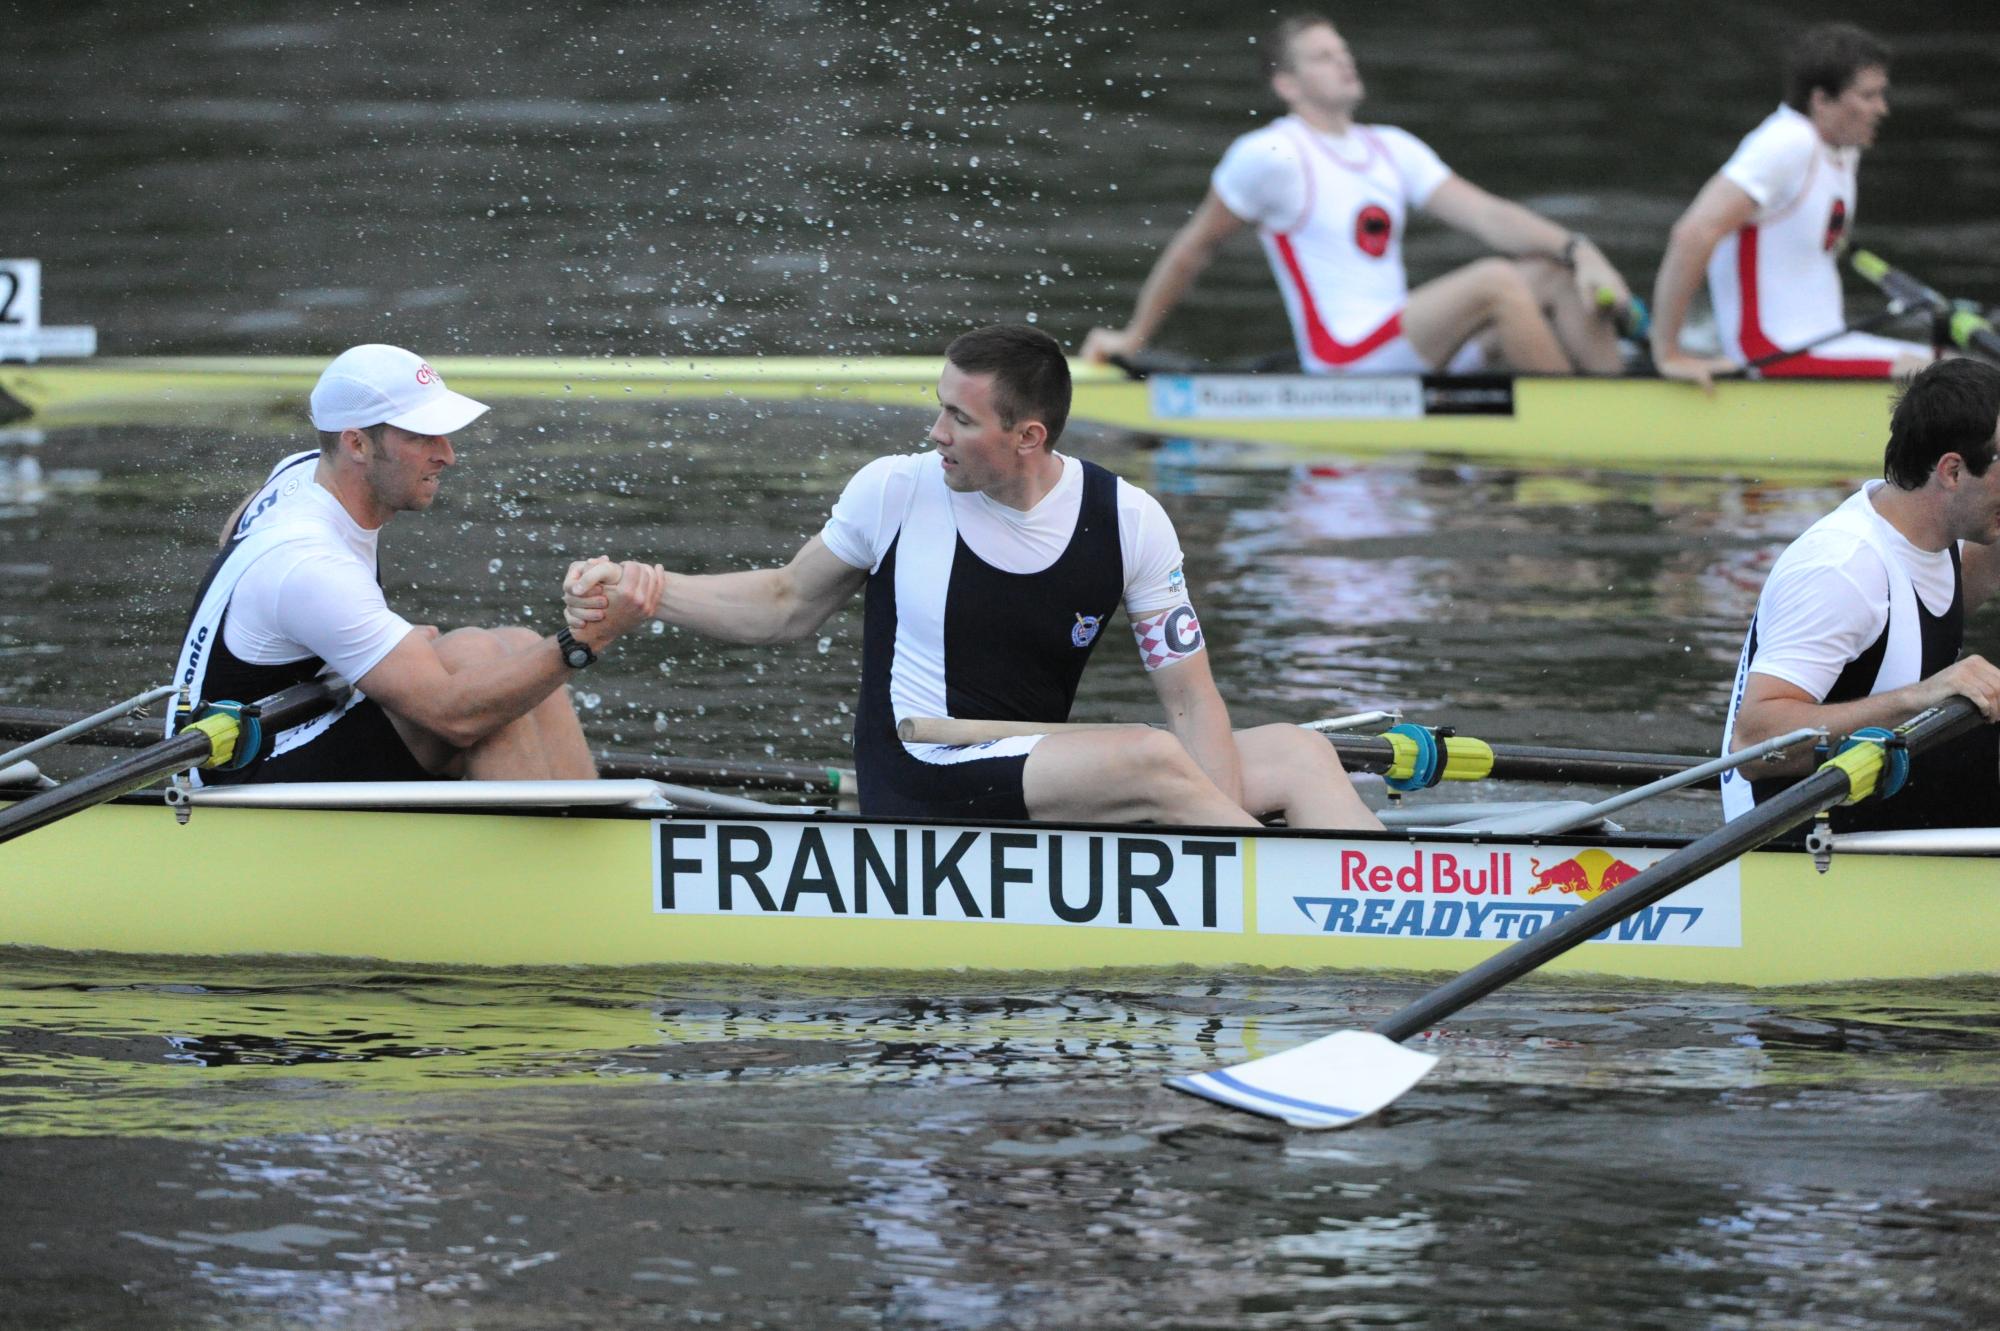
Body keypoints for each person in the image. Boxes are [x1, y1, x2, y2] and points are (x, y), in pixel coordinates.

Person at [567, 324, 1380, 829]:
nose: (936, 432)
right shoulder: (897, 488)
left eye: (960, 417)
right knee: (1146, 757)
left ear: (1028, 436)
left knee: (1304, 754)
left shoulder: (1130, 518)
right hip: (923, 776)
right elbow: (786, 604)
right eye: (939, 407)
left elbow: (1191, 698)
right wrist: (651, 588)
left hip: (1034, 772)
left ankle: (1383, 912)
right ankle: (1268, 891)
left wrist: (1220, 805)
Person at [169, 343, 664, 786]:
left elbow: (232, 533)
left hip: (282, 719)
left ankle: (579, 827)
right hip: (234, 767)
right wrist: (588, 640)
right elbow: (455, 718)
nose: (447, 455)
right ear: (357, 444)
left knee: (517, 646)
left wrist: (348, 635)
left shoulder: (302, 471)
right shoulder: (310, 566)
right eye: (423, 437)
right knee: (478, 685)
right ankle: (544, 873)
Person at [1079, 14, 1632, 377]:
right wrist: (1136, 335)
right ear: (1287, 85)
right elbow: (1193, 248)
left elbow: (1488, 213)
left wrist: (1581, 251)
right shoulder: (1271, 154)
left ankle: (1623, 400)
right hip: (1343, 355)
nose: (1344, 61)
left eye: (1343, 51)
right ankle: (1577, 422)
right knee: (1496, 281)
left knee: (1552, 270)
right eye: (1322, 56)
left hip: (1397, 335)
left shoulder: (1391, 147)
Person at [1720, 358, 2000, 831]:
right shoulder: (1844, 566)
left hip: (1881, 784)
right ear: (1952, 471)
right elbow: (1753, 745)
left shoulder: (1940, 539)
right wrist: (1921, 696)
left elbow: (1969, 586)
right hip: (1788, 825)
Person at [1651, 23, 1932, 389]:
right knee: (1960, 382)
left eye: (1882, 94)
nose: (1882, 109)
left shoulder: (1842, 149)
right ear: (1821, 101)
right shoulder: (1786, 143)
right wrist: (1669, 353)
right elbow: (1693, 233)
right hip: (1771, 353)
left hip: (1823, 340)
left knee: (1961, 368)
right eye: (1868, 96)